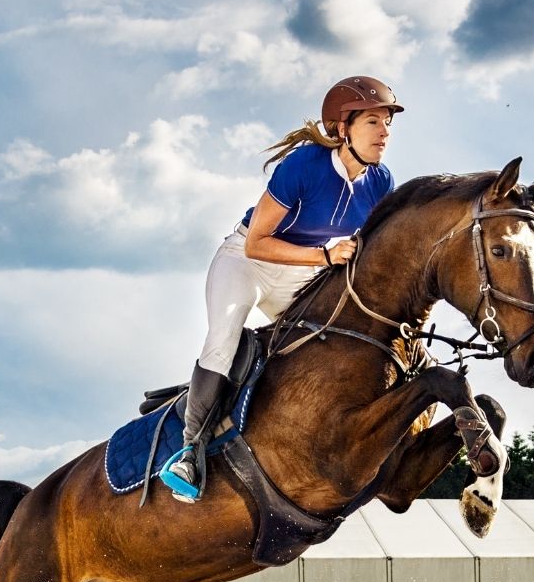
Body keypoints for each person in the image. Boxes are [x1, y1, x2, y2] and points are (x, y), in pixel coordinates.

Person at [159, 75, 403, 502]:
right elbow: (258, 241)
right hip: (247, 261)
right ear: (342, 128)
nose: (384, 132)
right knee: (223, 338)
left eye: (387, 123)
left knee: (329, 337)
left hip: (299, 269)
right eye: (372, 122)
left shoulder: (381, 182)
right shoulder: (304, 166)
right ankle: (189, 449)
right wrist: (326, 258)